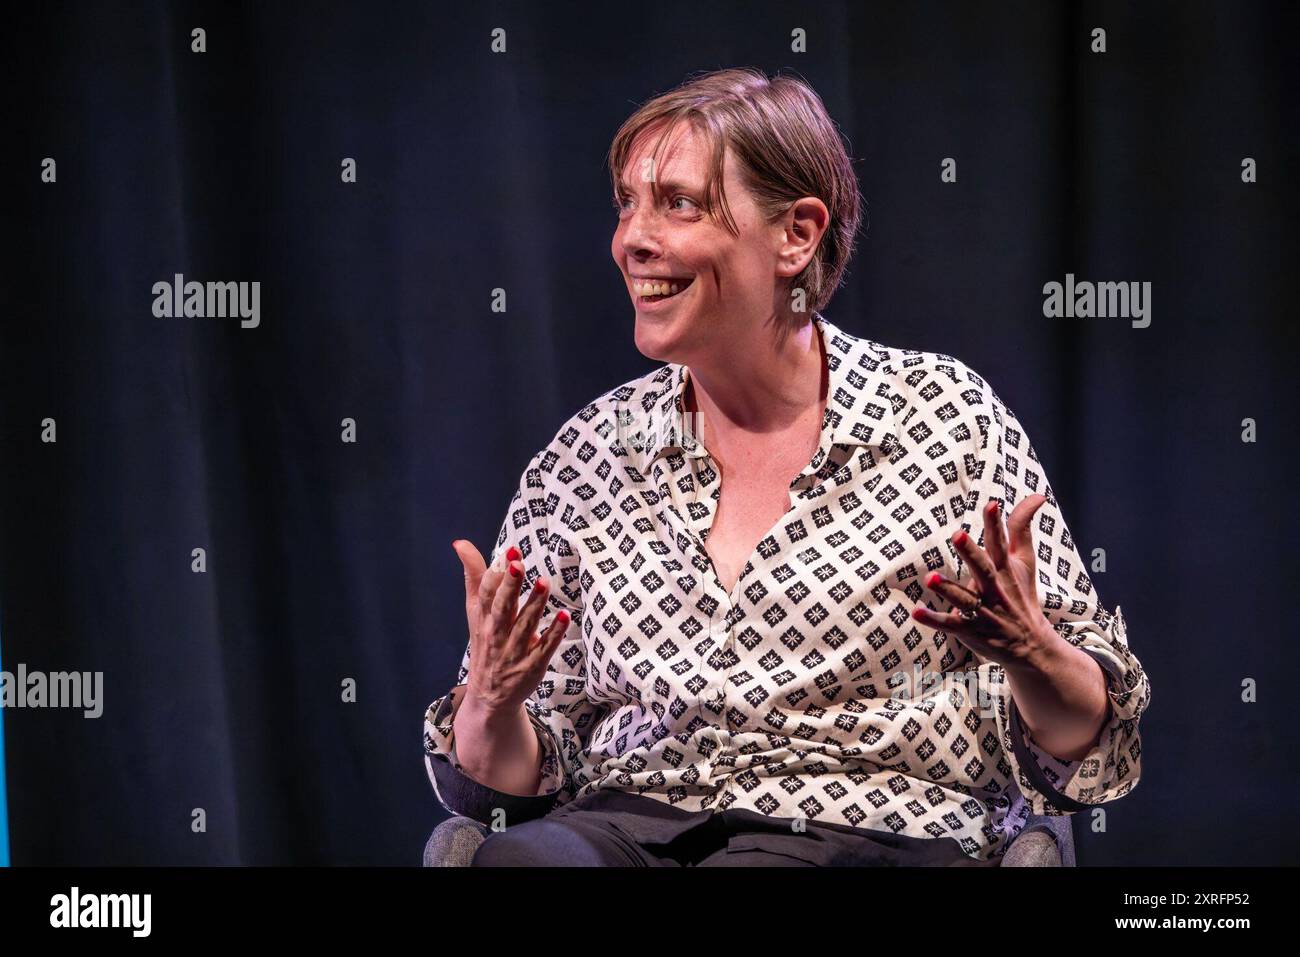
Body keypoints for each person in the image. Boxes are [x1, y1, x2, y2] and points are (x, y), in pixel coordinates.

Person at [422, 67, 1151, 866]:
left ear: (797, 234)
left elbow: (1091, 740)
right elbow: (508, 785)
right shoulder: (588, 455)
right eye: (627, 202)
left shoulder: (944, 422)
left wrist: (1030, 650)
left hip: (868, 824)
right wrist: (491, 703)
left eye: (679, 203)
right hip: (636, 818)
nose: (631, 237)